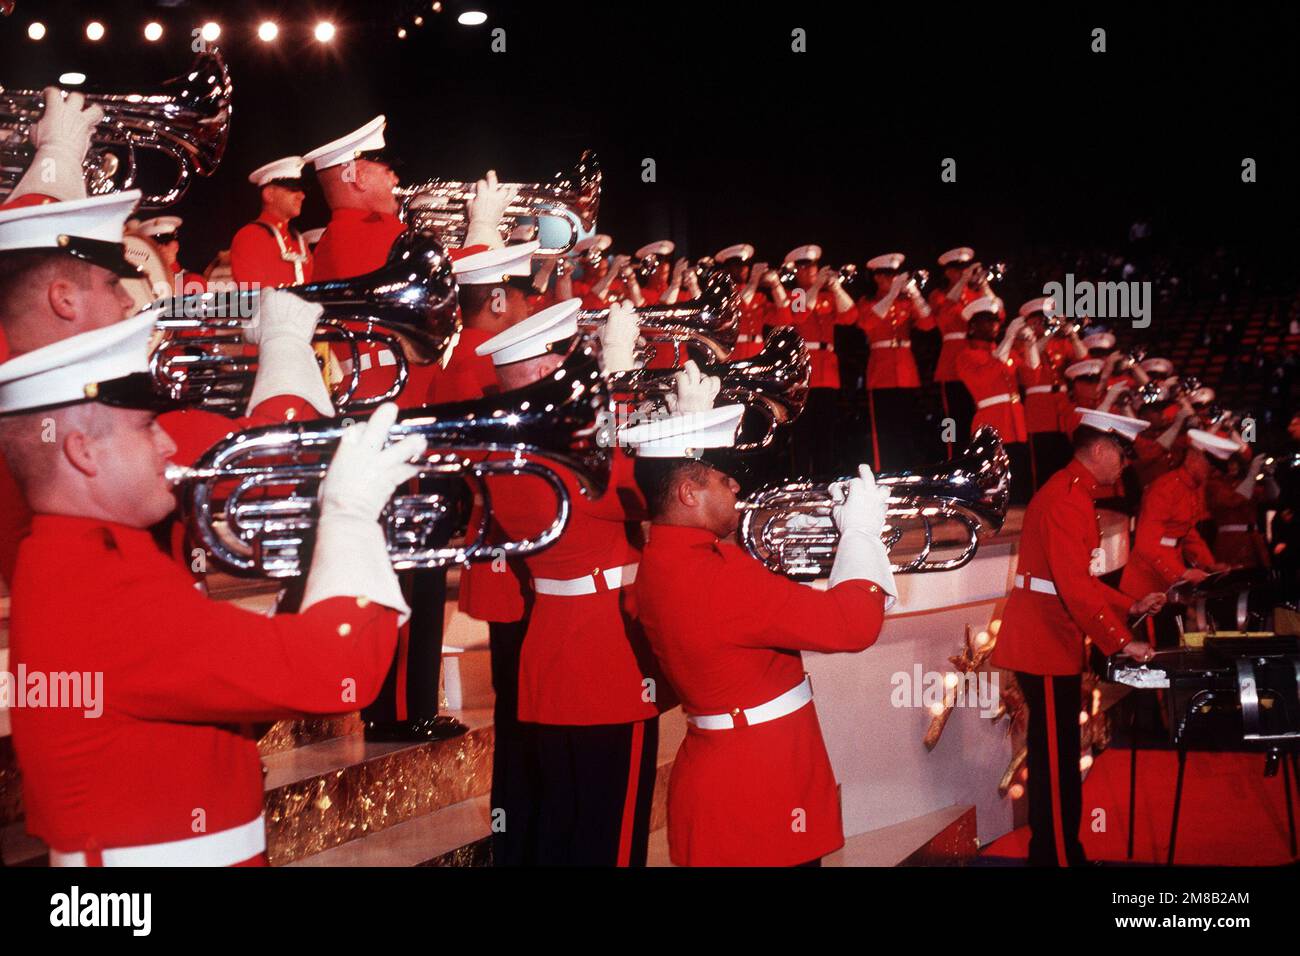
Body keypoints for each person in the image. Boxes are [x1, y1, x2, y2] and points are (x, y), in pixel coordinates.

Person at [0, 314, 423, 867]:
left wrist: (313, 567)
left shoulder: (87, 558)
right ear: (83, 451)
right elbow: (336, 673)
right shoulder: (104, 586)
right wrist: (349, 518)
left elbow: (232, 696)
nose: (169, 442)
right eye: (147, 426)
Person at [630, 405, 896, 866]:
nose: (735, 485)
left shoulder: (665, 561)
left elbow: (757, 605)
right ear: (688, 493)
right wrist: (861, 535)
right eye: (721, 478)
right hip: (760, 787)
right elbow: (854, 626)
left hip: (730, 775)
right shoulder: (715, 579)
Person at [471, 298, 682, 865]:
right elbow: (651, 492)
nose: (581, 365)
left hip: (550, 651)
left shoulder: (502, 450)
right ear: (544, 374)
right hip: (608, 658)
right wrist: (618, 382)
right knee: (611, 836)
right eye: (572, 358)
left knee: (561, 825)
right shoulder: (573, 456)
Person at [993, 409, 1166, 866]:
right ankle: (1057, 858)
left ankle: (1060, 853)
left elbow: (1076, 583)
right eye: (1122, 453)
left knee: (1060, 758)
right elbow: (1071, 587)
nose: (1125, 463)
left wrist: (1128, 607)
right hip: (1044, 644)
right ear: (1101, 449)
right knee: (1055, 764)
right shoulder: (1067, 499)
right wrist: (1123, 640)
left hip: (1052, 640)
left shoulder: (1072, 494)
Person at [1120, 429, 1237, 646]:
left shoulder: (1191, 489)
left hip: (1169, 581)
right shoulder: (1165, 489)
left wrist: (1211, 566)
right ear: (1193, 457)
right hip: (1148, 582)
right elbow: (1146, 544)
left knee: (1172, 644)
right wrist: (1181, 572)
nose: (1212, 472)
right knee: (1156, 651)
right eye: (1209, 464)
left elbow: (1188, 534)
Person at [776, 244, 856, 476]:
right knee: (802, 434)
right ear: (797, 271)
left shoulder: (828, 296)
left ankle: (824, 479)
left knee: (825, 434)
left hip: (827, 373)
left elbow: (851, 316)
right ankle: (800, 479)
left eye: (813, 266)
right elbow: (799, 315)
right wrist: (819, 285)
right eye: (804, 266)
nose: (810, 271)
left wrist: (837, 287)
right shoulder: (796, 294)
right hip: (803, 371)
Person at [859, 252, 934, 472]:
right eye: (890, 275)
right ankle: (885, 473)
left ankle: (908, 473)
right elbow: (868, 324)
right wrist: (893, 292)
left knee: (907, 428)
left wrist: (915, 294)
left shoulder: (906, 301)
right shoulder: (868, 302)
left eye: (896, 275)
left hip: (906, 372)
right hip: (880, 373)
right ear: (878, 277)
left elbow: (929, 324)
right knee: (883, 431)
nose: (894, 279)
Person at [956, 299, 1035, 505]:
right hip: (993, 420)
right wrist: (1009, 337)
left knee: (1021, 480)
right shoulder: (966, 355)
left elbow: (1032, 370)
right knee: (998, 480)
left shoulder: (1002, 350)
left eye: (995, 321)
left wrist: (1031, 342)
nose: (994, 326)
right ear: (973, 326)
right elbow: (983, 378)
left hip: (1016, 420)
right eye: (987, 321)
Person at [928, 248, 1002, 450]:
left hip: (981, 359)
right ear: (948, 272)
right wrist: (962, 282)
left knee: (982, 412)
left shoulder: (978, 294)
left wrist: (984, 284)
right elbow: (941, 315)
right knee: (952, 417)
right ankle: (951, 453)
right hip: (952, 366)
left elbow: (999, 314)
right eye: (959, 269)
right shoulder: (939, 295)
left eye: (966, 269)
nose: (964, 272)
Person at [1020, 296, 1086, 489]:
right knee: (1042, 465)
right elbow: (1030, 360)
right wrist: (1051, 332)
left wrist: (1072, 335)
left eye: (1048, 318)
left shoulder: (1061, 343)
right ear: (1030, 322)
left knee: (1066, 460)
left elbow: (1083, 357)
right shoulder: (1023, 343)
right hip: (1040, 411)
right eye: (1040, 319)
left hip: (1062, 407)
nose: (1045, 323)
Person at [229, 155, 313, 288]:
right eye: (292, 189)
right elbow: (255, 298)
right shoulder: (249, 237)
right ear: (269, 194)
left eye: (301, 190)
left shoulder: (298, 240)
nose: (301, 196)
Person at [1206, 452, 1275, 569]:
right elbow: (1233, 500)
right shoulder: (1215, 483)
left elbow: (1272, 496)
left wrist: (1269, 478)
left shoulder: (1246, 482)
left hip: (1254, 542)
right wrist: (1252, 476)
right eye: (1230, 463)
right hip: (1231, 542)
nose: (1233, 466)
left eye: (1236, 463)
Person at [133, 216, 206, 295]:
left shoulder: (192, 281)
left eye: (166, 241)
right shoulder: (140, 283)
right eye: (154, 244)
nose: (161, 247)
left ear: (176, 246)